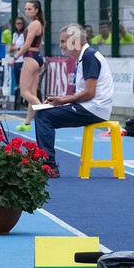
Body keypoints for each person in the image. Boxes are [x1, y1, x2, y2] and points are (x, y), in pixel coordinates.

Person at [32, 24, 112, 174]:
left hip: (94, 108)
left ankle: (49, 165)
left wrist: (62, 101)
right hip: (91, 107)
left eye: (63, 41)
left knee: (43, 116)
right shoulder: (85, 57)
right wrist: (61, 100)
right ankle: (46, 162)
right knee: (46, 112)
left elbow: (89, 93)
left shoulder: (89, 56)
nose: (61, 45)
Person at [14, 0, 46, 132]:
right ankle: (27, 123)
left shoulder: (34, 24)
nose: (27, 11)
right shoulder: (38, 24)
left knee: (24, 92)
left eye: (30, 9)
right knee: (32, 93)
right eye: (26, 9)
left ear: (36, 10)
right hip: (37, 58)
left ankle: (45, 115)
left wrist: (15, 57)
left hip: (31, 58)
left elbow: (27, 45)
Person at [10, 15, 26, 105]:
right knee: (17, 82)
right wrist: (17, 48)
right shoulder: (15, 34)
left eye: (20, 23)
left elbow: (24, 47)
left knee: (23, 81)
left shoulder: (25, 34)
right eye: (17, 24)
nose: (18, 25)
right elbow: (12, 48)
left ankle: (24, 100)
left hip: (23, 60)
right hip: (16, 60)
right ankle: (18, 101)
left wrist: (18, 48)